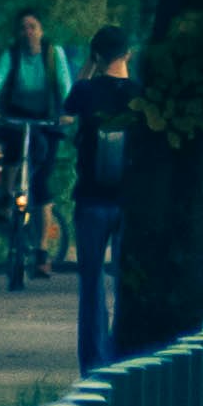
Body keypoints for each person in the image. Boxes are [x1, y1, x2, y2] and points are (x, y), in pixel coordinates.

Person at [0, 10, 74, 288]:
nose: (28, 32)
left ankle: (43, 252)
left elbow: (65, 83)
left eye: (33, 26)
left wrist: (68, 111)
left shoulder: (52, 54)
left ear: (42, 30)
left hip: (46, 119)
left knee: (42, 182)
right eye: (23, 28)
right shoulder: (12, 54)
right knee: (11, 149)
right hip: (18, 115)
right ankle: (6, 198)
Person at [66, 27, 133, 371]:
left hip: (91, 199)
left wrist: (88, 69)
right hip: (130, 201)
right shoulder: (139, 95)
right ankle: (125, 353)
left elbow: (66, 112)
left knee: (91, 282)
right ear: (128, 53)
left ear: (95, 56)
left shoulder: (85, 91)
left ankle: (93, 360)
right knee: (128, 280)